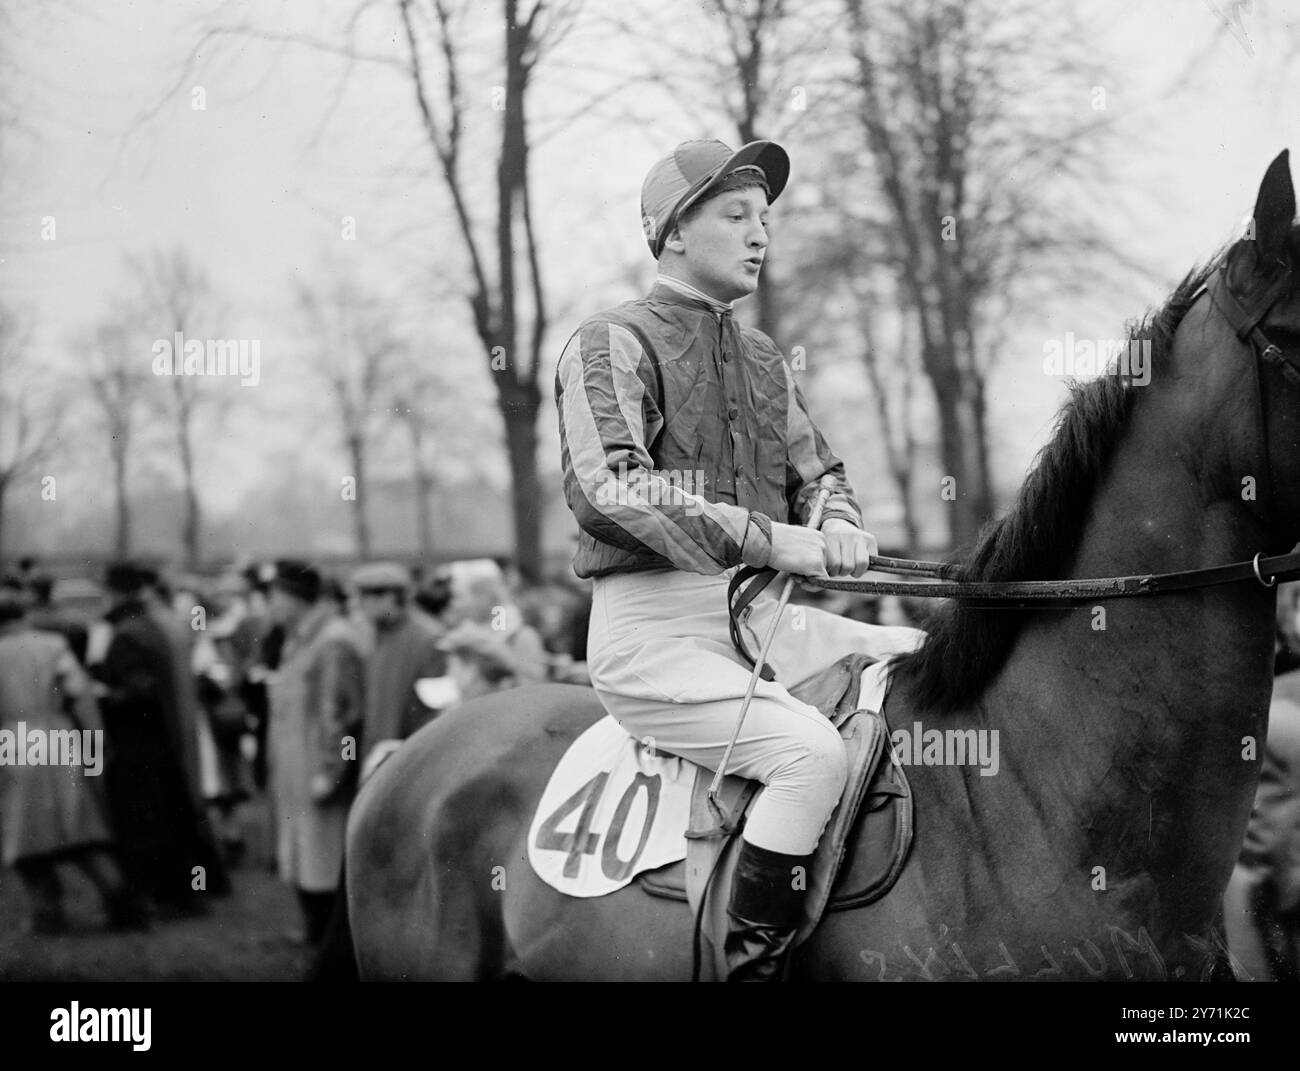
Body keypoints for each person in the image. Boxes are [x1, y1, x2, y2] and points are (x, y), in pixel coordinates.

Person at [554, 138, 925, 981]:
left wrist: (837, 522)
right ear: (674, 231)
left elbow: (820, 474)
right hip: (652, 637)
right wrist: (772, 539)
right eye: (737, 215)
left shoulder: (763, 360)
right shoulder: (608, 342)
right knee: (810, 755)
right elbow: (608, 488)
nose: (761, 235)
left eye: (766, 219)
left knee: (923, 662)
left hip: (758, 621)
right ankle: (747, 969)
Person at [0, 590, 145, 933]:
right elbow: (81, 696)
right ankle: (123, 904)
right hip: (57, 736)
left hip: (12, 742)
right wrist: (97, 747)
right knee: (80, 828)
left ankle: (47, 914)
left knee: (23, 835)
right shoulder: (53, 645)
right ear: (23, 614)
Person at [94, 562, 216, 915]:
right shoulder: (153, 624)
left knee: (149, 825)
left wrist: (104, 694)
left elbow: (140, 690)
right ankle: (185, 893)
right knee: (170, 821)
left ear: (116, 593)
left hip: (138, 748)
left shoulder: (126, 633)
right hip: (162, 740)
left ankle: (168, 897)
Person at [266, 560, 365, 946]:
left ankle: (330, 942)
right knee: (305, 852)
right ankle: (315, 935)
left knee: (323, 855)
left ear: (294, 599)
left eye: (274, 597)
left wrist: (331, 771)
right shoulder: (299, 638)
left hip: (316, 767)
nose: (270, 606)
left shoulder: (332, 640)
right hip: (294, 763)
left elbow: (339, 713)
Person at [352, 561, 446, 768]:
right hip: (376, 753)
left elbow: (437, 708)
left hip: (412, 756)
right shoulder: (371, 634)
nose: (362, 605)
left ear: (392, 597)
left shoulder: (428, 637)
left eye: (369, 596)